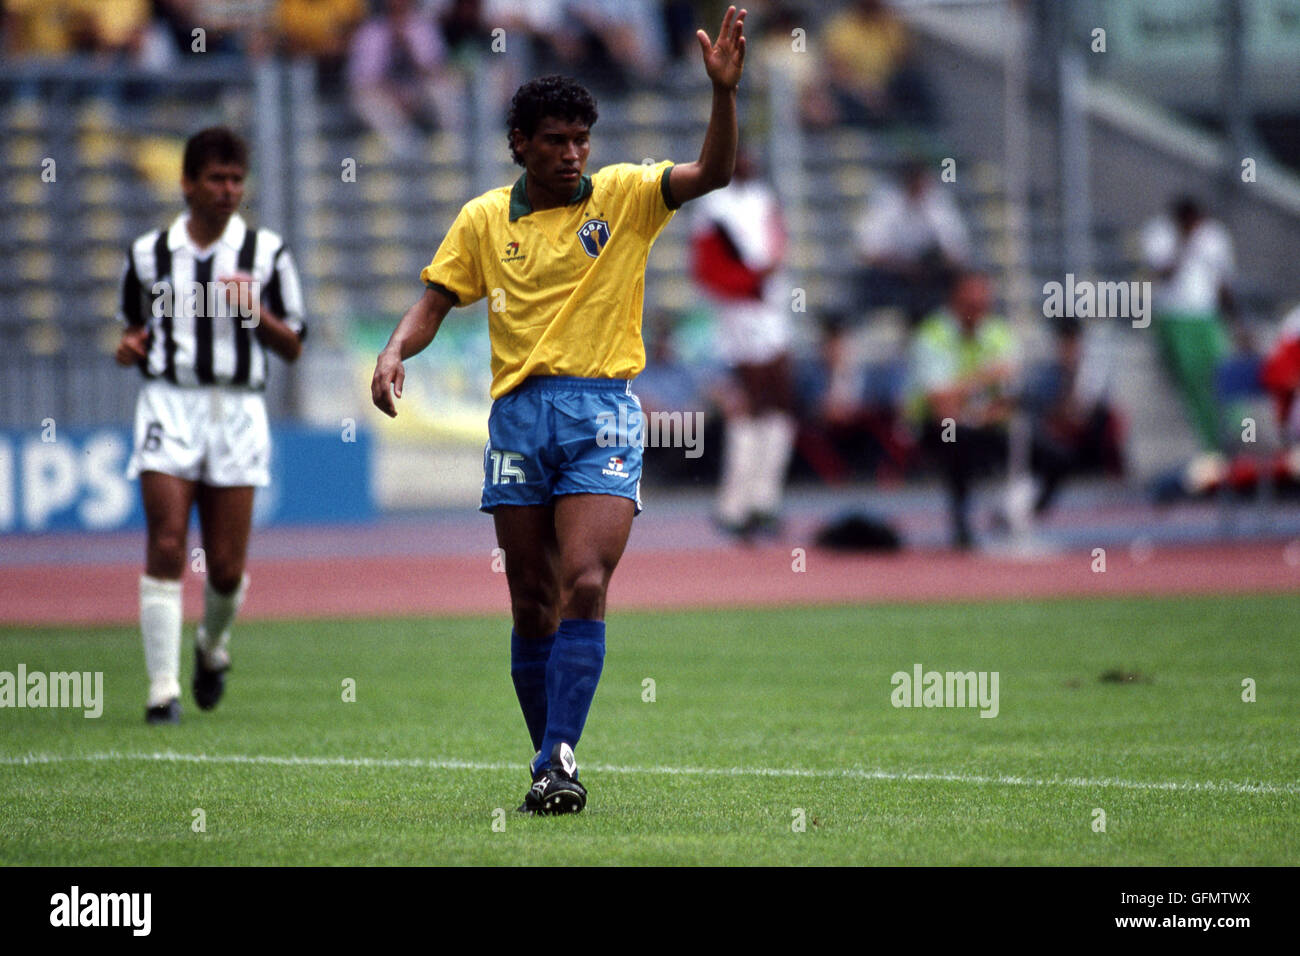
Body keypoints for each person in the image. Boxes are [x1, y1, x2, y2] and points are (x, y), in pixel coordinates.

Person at [370, 8, 749, 814]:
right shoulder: (481, 220)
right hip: (517, 419)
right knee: (530, 601)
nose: (573, 151)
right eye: (554, 139)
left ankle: (556, 757)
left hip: (603, 410)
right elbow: (435, 302)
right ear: (520, 143)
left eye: (581, 137)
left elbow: (712, 173)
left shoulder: (625, 196)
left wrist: (723, 96)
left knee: (584, 580)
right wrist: (397, 348)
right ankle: (551, 763)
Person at [114, 127, 307, 724]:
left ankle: (211, 646)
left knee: (225, 567)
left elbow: (295, 343)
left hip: (237, 409)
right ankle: (161, 691)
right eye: (216, 179)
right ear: (187, 183)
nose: (228, 191)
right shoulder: (149, 254)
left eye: (236, 180)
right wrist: (128, 347)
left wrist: (258, 314)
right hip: (169, 405)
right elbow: (132, 329)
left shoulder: (266, 253)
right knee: (167, 542)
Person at [907, 272, 1068, 549]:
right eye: (971, 305)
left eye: (983, 304)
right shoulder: (933, 335)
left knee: (1057, 457)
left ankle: (1017, 516)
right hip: (939, 429)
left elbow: (1011, 397)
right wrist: (984, 378)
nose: (978, 311)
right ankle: (961, 525)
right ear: (954, 301)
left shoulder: (998, 334)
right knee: (955, 437)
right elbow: (940, 404)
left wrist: (977, 407)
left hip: (989, 423)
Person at [689, 147, 795, 538]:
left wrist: (769, 272)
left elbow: (778, 244)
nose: (748, 162)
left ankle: (765, 499)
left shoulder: (764, 196)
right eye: (740, 157)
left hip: (771, 307)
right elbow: (707, 266)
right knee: (747, 403)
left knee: (779, 401)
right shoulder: (713, 206)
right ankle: (734, 505)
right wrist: (748, 281)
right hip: (737, 312)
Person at [1140, 195, 1241, 455]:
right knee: (1195, 383)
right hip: (1175, 319)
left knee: (1224, 374)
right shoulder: (1160, 233)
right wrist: (1185, 242)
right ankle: (1212, 446)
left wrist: (1237, 321)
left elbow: (1223, 283)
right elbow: (1164, 274)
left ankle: (1239, 434)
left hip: (1207, 318)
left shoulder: (1214, 235)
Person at [853, 159, 969, 326]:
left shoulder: (938, 202)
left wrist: (930, 264)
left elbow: (957, 252)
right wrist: (903, 265)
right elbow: (867, 251)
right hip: (894, 276)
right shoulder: (887, 202)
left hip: (930, 277)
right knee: (870, 281)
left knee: (957, 280)